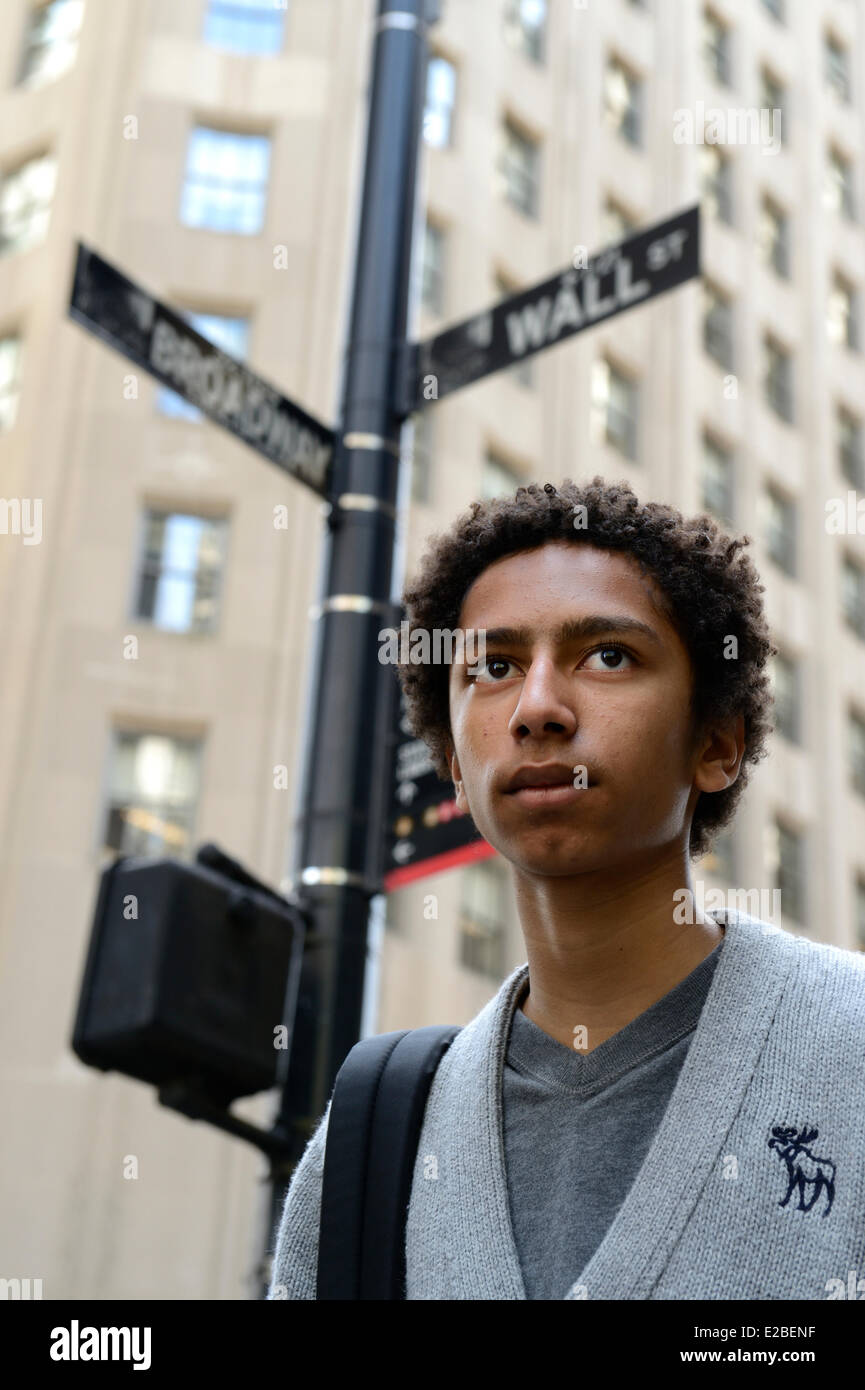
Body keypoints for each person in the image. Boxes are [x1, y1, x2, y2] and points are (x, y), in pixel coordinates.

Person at [268, 477, 865, 1300]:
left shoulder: (848, 1044)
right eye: (494, 666)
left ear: (718, 744)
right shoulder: (371, 1141)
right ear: (452, 760)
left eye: (607, 656)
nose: (537, 707)